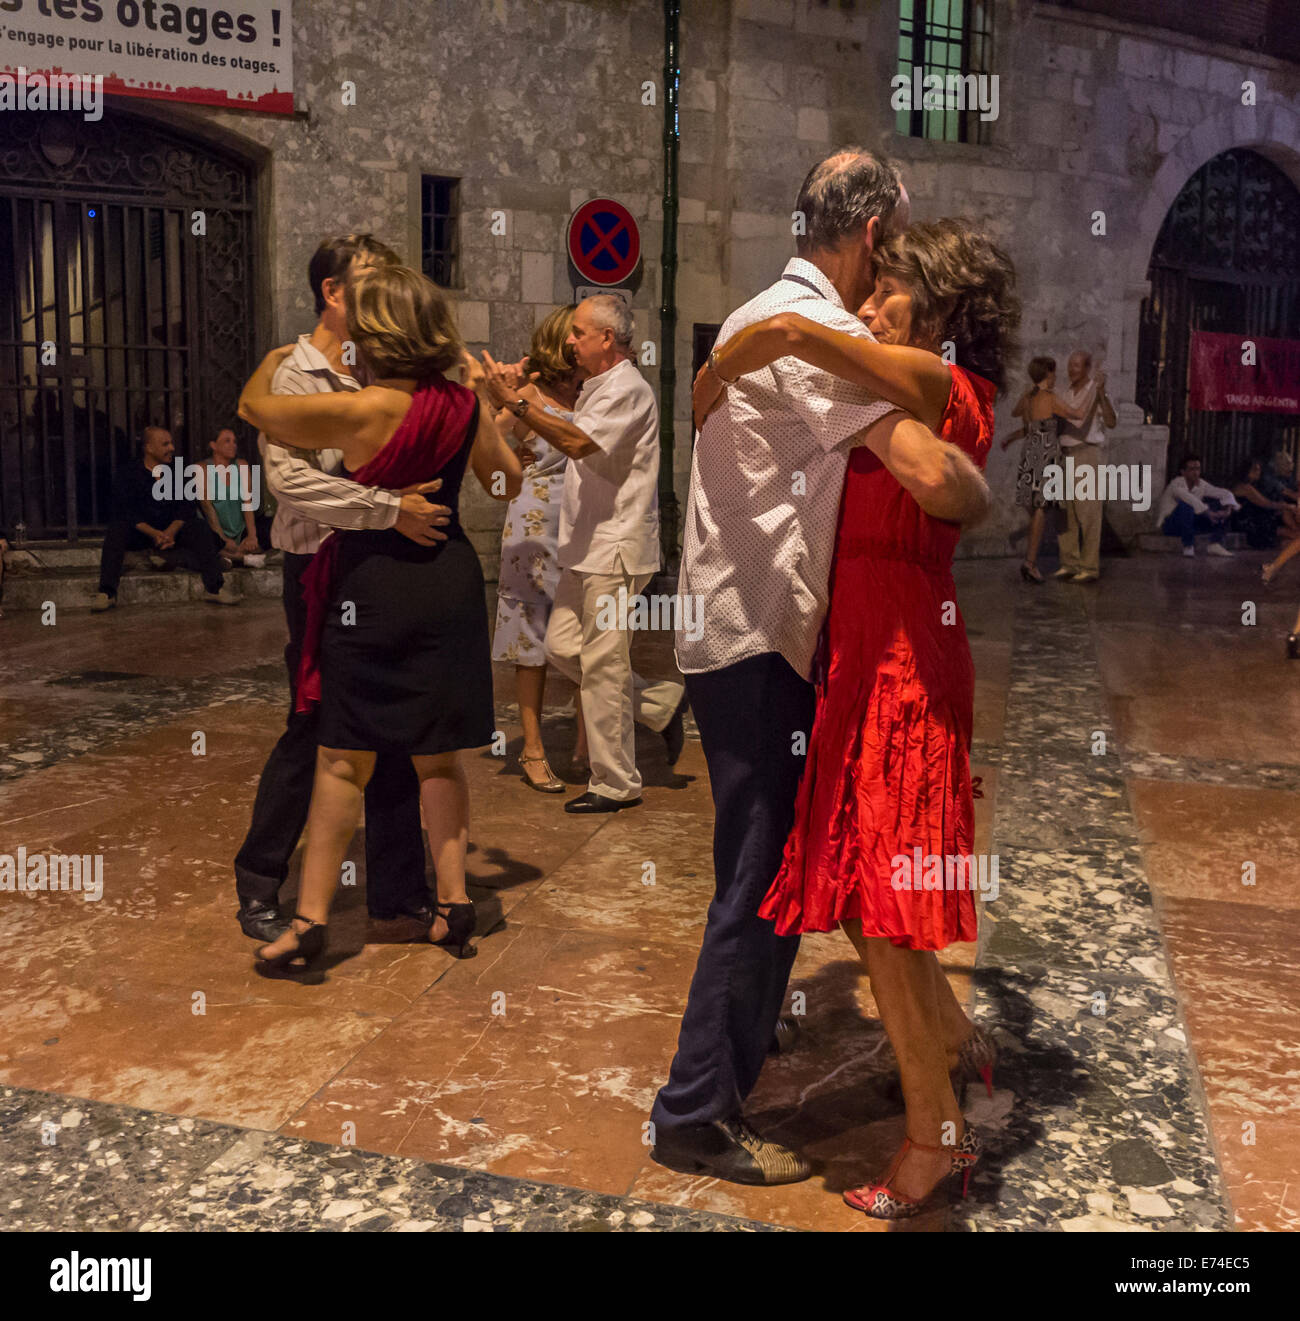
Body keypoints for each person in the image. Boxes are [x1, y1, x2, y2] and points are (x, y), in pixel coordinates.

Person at [649, 148, 990, 1189]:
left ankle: (800, 1051)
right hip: (762, 640)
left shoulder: (768, 315)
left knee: (783, 872)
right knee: (761, 882)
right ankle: (696, 1111)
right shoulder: (818, 333)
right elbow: (933, 467)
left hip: (742, 632)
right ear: (875, 233)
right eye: (886, 254)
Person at [237, 265, 521, 970]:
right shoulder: (462, 402)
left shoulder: (361, 409)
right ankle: (454, 907)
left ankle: (307, 924)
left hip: (375, 585)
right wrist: (493, 413)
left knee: (340, 758)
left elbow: (257, 410)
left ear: (381, 334)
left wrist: (274, 361)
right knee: (438, 757)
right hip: (451, 581)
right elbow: (508, 480)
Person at [481, 295, 687, 815]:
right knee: (562, 646)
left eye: (578, 332)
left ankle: (615, 783)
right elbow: (562, 422)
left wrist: (520, 400)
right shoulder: (599, 387)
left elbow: (577, 441)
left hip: (614, 548)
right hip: (587, 546)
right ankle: (660, 701)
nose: (569, 340)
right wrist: (513, 396)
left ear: (608, 340)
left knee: (601, 663)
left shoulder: (628, 389)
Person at [490, 306, 588, 792]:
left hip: (584, 524)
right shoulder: (526, 394)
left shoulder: (596, 392)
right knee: (530, 640)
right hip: (533, 526)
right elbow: (486, 440)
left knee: (586, 636)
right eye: (576, 336)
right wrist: (512, 456)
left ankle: (586, 744)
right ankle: (531, 749)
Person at [92, 426, 238, 611]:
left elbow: (186, 507)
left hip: (172, 531)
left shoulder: (178, 469)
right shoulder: (129, 473)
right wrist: (154, 534)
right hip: (143, 532)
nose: (172, 448)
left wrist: (169, 532)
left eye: (171, 443)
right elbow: (126, 511)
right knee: (116, 530)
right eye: (165, 444)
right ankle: (107, 593)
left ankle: (215, 589)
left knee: (200, 529)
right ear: (149, 448)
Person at [1001, 355, 1094, 582]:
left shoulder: (1028, 397)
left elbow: (1023, 420)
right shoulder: (1049, 398)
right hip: (1046, 455)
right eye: (1053, 373)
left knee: (1036, 509)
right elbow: (1079, 414)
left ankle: (1031, 561)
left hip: (1030, 453)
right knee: (1042, 509)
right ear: (1048, 374)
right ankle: (1030, 564)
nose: (1056, 377)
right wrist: (1093, 390)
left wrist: (1010, 438)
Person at [1053, 349, 1116, 583]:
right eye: (1070, 365)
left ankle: (1089, 567)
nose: (1071, 370)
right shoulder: (1067, 392)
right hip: (1065, 454)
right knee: (1065, 512)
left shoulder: (1096, 391)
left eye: (1077, 366)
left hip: (1086, 453)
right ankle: (1069, 562)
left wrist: (1102, 394)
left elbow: (1111, 421)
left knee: (1088, 513)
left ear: (1087, 368)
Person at [200, 427, 266, 567]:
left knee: (268, 531)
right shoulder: (202, 468)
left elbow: (247, 503)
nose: (233, 445)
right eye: (227, 441)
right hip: (216, 530)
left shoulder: (241, 465)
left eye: (234, 442)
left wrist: (251, 536)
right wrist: (222, 539)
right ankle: (243, 559)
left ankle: (231, 556)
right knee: (202, 541)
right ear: (213, 445)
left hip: (239, 529)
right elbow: (207, 507)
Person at [1156, 455, 1239, 557]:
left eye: (1198, 469)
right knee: (1186, 505)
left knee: (1223, 504)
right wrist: (1208, 513)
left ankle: (1215, 544)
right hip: (1171, 525)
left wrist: (1228, 509)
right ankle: (1188, 545)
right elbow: (1188, 498)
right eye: (1191, 469)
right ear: (1183, 472)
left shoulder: (1201, 484)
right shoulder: (1176, 484)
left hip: (1191, 524)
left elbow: (1225, 493)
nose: (1196, 473)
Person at [1231, 457, 1287, 551]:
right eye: (1255, 469)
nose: (1258, 472)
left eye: (1259, 469)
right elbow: (1266, 503)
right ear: (1247, 471)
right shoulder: (1245, 487)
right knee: (1274, 520)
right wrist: (1286, 505)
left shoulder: (1252, 485)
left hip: (1253, 519)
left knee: (1281, 515)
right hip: (1244, 522)